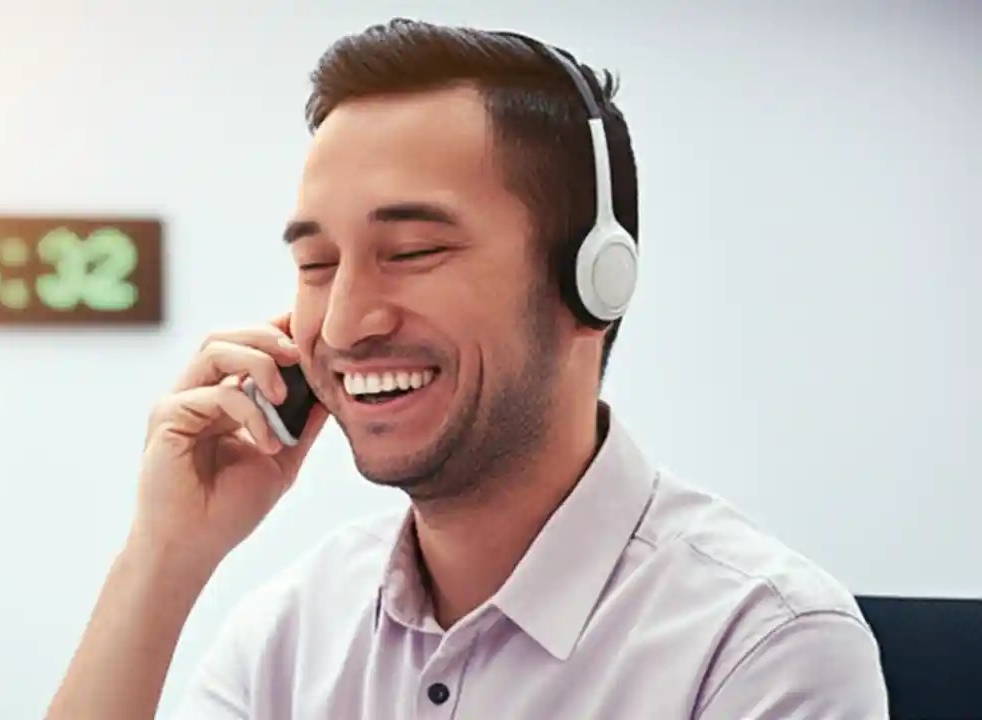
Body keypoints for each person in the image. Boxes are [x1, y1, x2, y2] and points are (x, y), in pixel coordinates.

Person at [46, 18, 888, 719]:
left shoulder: (762, 646)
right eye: (316, 265)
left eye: (411, 251)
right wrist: (162, 558)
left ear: (593, 278)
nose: (342, 325)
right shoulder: (294, 633)